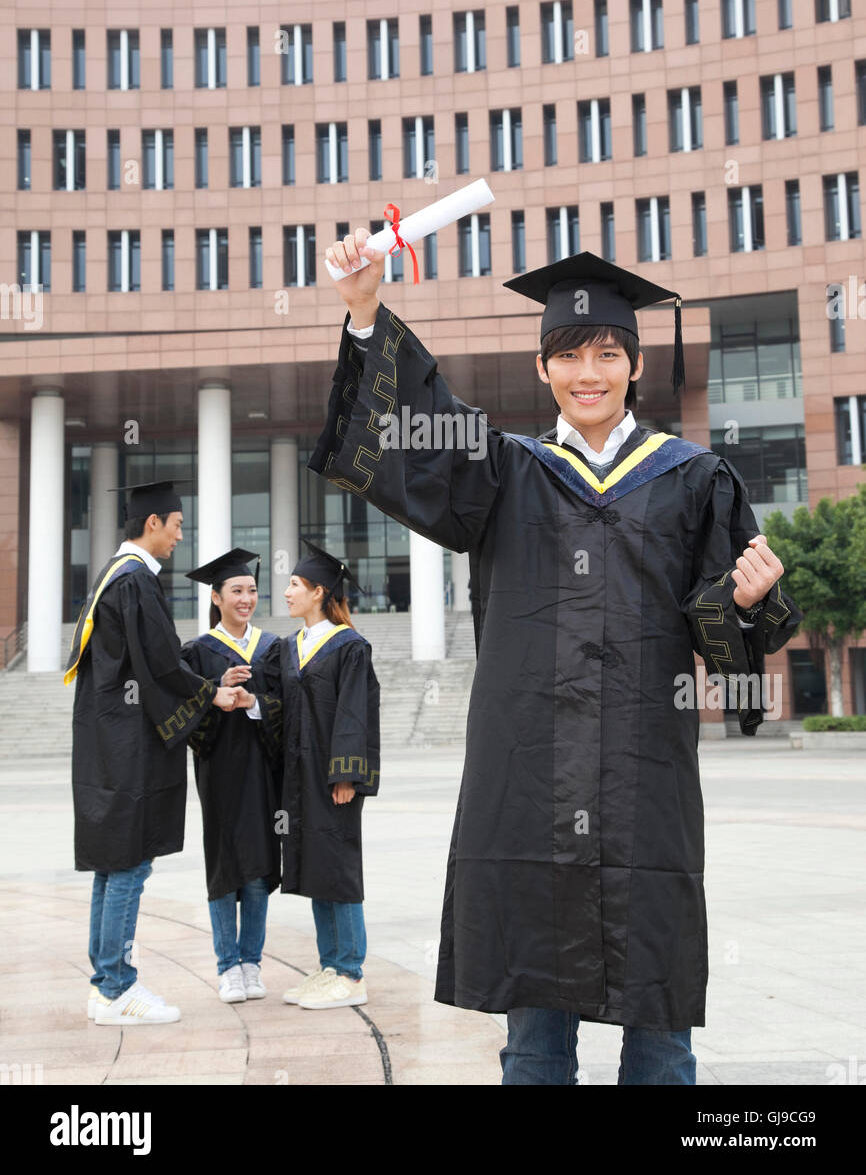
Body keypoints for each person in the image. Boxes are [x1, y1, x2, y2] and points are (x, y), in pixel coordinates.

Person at [311, 237, 803, 1085]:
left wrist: (749, 604)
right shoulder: (506, 473)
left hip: (644, 794)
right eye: (568, 355)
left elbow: (728, 654)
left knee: (661, 1041)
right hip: (529, 796)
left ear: (633, 363)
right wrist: (363, 314)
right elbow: (407, 439)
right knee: (534, 1046)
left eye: (606, 353)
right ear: (542, 371)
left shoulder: (693, 480)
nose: (588, 371)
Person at [65, 480, 239, 1025]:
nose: (180, 537)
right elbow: (161, 663)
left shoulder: (110, 578)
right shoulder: (136, 580)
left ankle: (103, 984)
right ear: (153, 524)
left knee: (112, 865)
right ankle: (118, 987)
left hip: (105, 744)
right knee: (130, 865)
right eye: (178, 526)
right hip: (128, 748)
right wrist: (214, 693)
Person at [267, 540, 380, 1011]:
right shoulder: (291, 648)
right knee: (315, 867)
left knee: (338, 868)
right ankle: (330, 964)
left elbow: (356, 713)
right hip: (299, 776)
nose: (287, 592)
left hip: (333, 779)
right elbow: (274, 702)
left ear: (317, 593)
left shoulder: (350, 647)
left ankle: (352, 972)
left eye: (294, 585)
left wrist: (347, 775)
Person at [182, 548, 283, 1004]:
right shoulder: (198, 653)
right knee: (224, 867)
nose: (246, 599)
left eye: (252, 591)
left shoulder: (272, 649)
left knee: (260, 870)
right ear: (217, 597)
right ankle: (227, 966)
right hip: (219, 772)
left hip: (263, 772)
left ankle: (252, 963)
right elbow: (185, 721)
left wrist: (255, 703)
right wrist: (214, 690)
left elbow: (289, 711)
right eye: (237, 591)